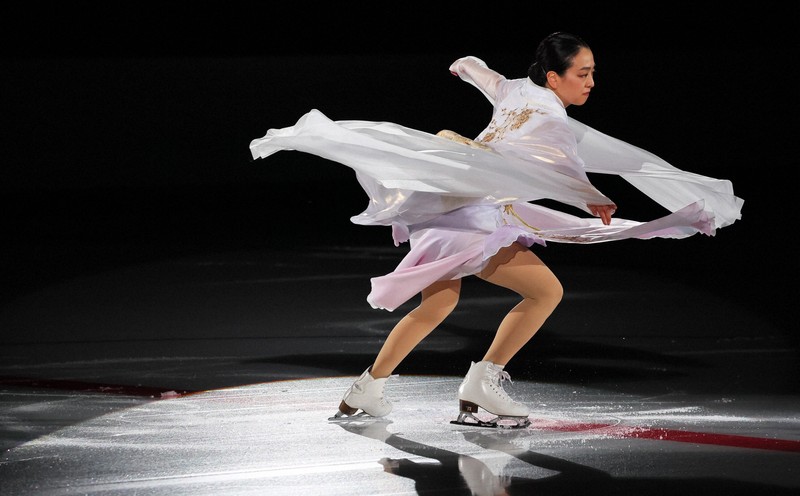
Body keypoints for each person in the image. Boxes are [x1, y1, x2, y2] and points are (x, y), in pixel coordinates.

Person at [249, 32, 743, 427]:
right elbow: (561, 163)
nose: (591, 82)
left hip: (443, 206)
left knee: (440, 304)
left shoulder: (520, 89)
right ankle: (482, 383)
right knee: (546, 292)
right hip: (473, 212)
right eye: (583, 74)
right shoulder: (550, 113)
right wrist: (592, 198)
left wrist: (466, 64)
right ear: (555, 76)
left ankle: (368, 389)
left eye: (594, 73)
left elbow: (488, 79)